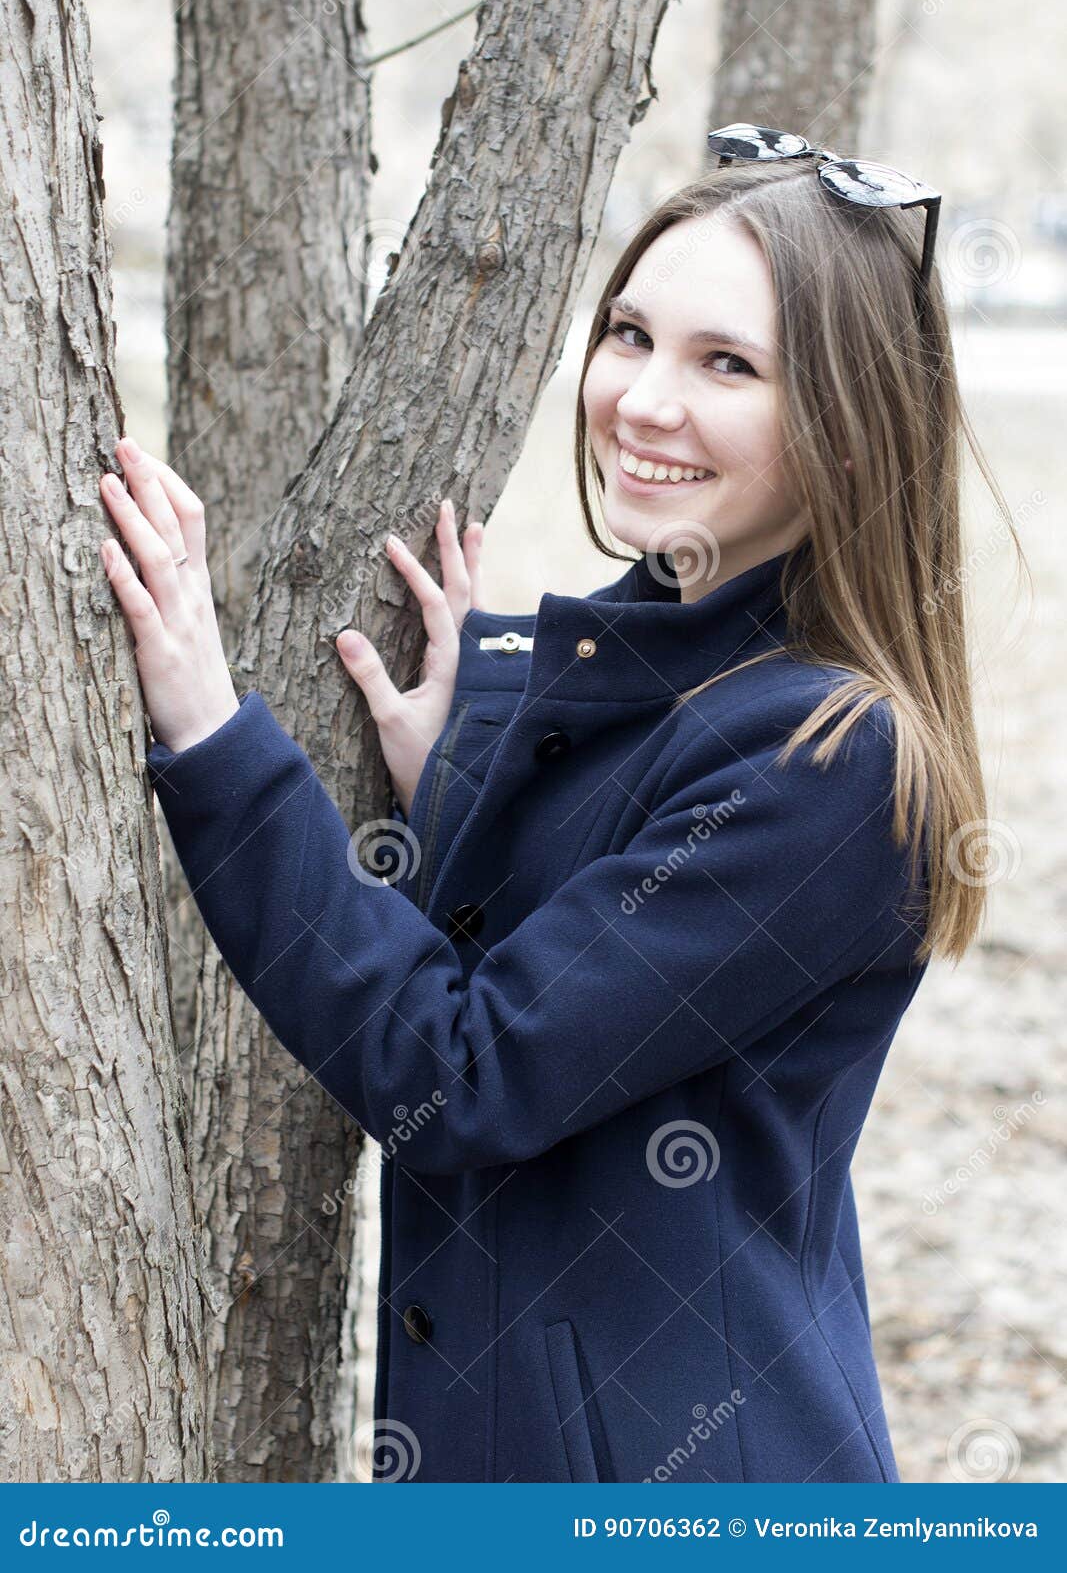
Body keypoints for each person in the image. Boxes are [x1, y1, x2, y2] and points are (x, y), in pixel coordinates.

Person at [97, 126, 1014, 1483]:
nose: (642, 400)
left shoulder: (835, 758)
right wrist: (463, 789)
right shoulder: (670, 657)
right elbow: (588, 961)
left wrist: (217, 739)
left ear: (850, 421)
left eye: (727, 364)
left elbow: (468, 1072)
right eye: (630, 334)